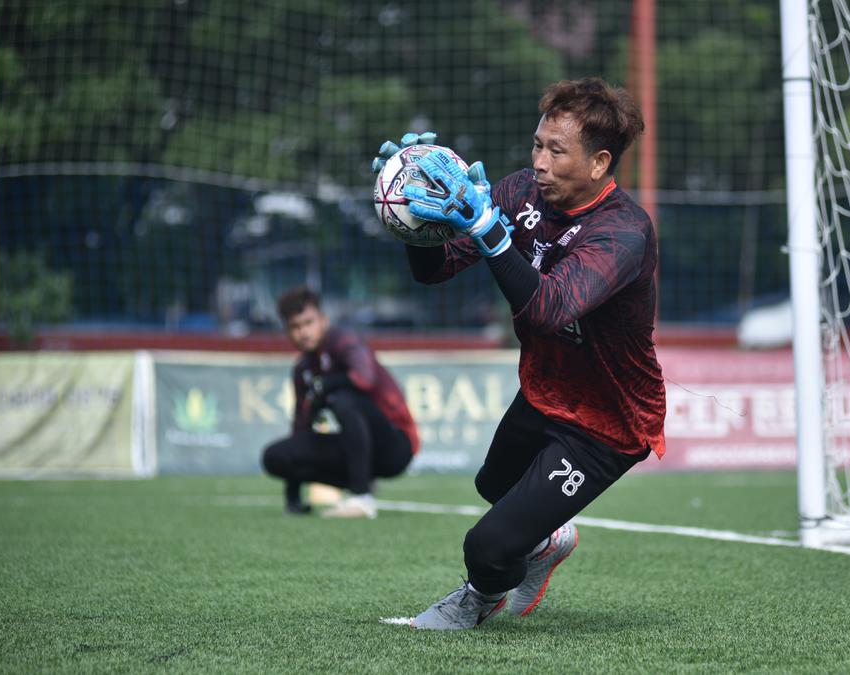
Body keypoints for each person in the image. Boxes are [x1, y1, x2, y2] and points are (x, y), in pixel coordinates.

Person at [373, 77, 666, 629]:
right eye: (538, 144)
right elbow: (436, 271)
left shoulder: (624, 231)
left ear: (601, 162)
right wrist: (415, 222)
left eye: (557, 151)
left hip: (608, 420)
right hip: (545, 389)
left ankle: (476, 601)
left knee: (486, 546)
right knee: (492, 485)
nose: (540, 162)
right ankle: (548, 538)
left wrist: (489, 229)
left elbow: (548, 310)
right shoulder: (517, 193)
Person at [261, 286, 418, 519]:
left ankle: (361, 499)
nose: (303, 332)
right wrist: (293, 495)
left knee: (343, 397)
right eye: (295, 327)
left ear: (323, 320)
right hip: (356, 449)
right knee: (275, 456)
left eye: (308, 323)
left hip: (395, 446)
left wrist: (325, 386)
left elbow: (364, 378)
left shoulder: (343, 341)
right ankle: (361, 480)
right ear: (287, 332)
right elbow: (302, 425)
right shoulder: (303, 368)